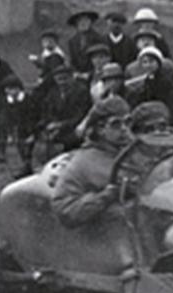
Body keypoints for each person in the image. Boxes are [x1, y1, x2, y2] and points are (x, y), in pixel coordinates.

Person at [51, 96, 134, 228]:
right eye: (116, 124)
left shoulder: (137, 151)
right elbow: (64, 208)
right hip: (115, 234)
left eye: (128, 122)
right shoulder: (82, 163)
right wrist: (106, 196)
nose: (124, 129)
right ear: (100, 129)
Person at [67, 9, 105, 77]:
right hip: (78, 75)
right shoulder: (72, 41)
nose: (83, 23)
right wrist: (75, 72)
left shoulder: (99, 38)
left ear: (91, 22)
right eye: (80, 21)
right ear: (76, 24)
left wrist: (90, 74)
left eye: (86, 20)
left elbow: (102, 59)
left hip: (96, 74)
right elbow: (72, 60)